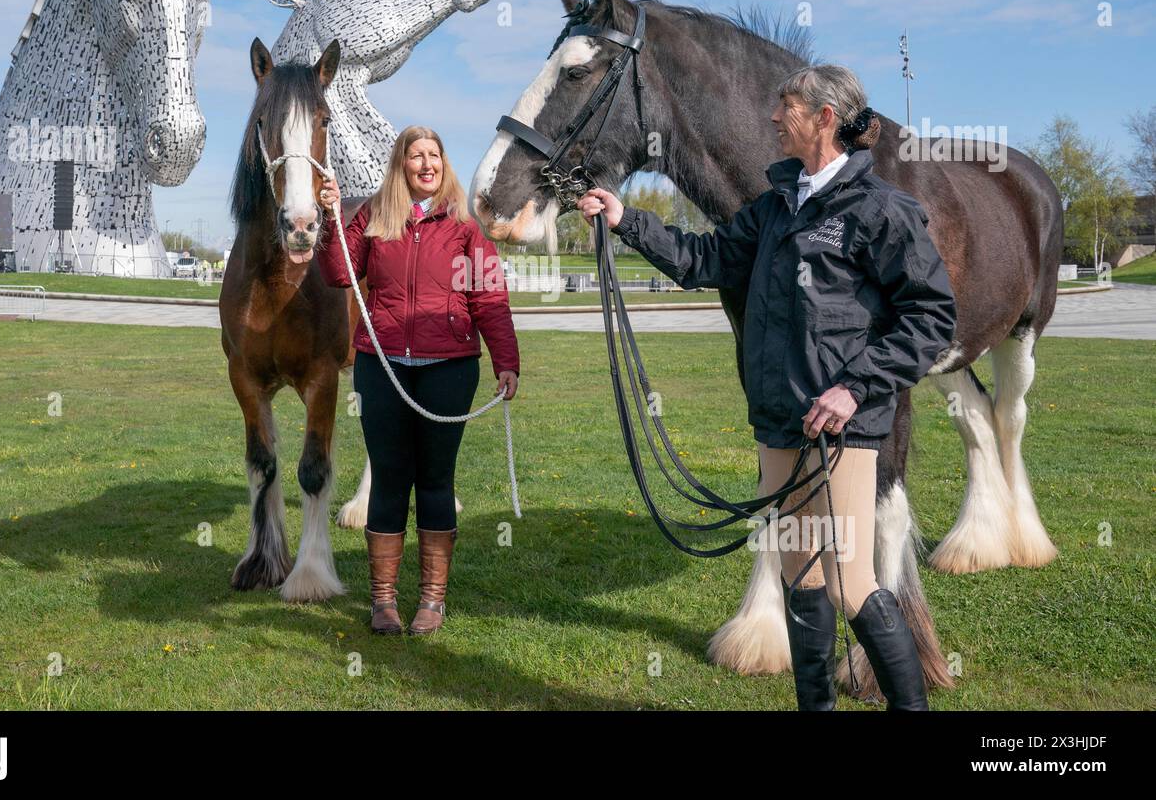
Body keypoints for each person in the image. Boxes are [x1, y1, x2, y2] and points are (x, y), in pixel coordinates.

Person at [578, 64, 958, 710]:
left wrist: (854, 389)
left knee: (849, 579)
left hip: (841, 425)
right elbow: (705, 260)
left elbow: (932, 317)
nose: (774, 119)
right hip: (779, 422)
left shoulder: (879, 209)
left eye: (786, 108)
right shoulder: (775, 206)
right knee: (799, 577)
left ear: (825, 119)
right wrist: (626, 221)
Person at [318, 125, 520, 636]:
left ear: (443, 162)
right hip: (381, 366)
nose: (426, 164)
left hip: (449, 370)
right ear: (401, 165)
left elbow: (490, 300)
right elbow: (340, 274)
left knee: (434, 481)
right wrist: (329, 220)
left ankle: (432, 600)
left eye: (434, 154)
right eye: (416, 156)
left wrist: (506, 361)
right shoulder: (373, 218)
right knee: (388, 480)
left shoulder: (467, 229)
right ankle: (382, 602)